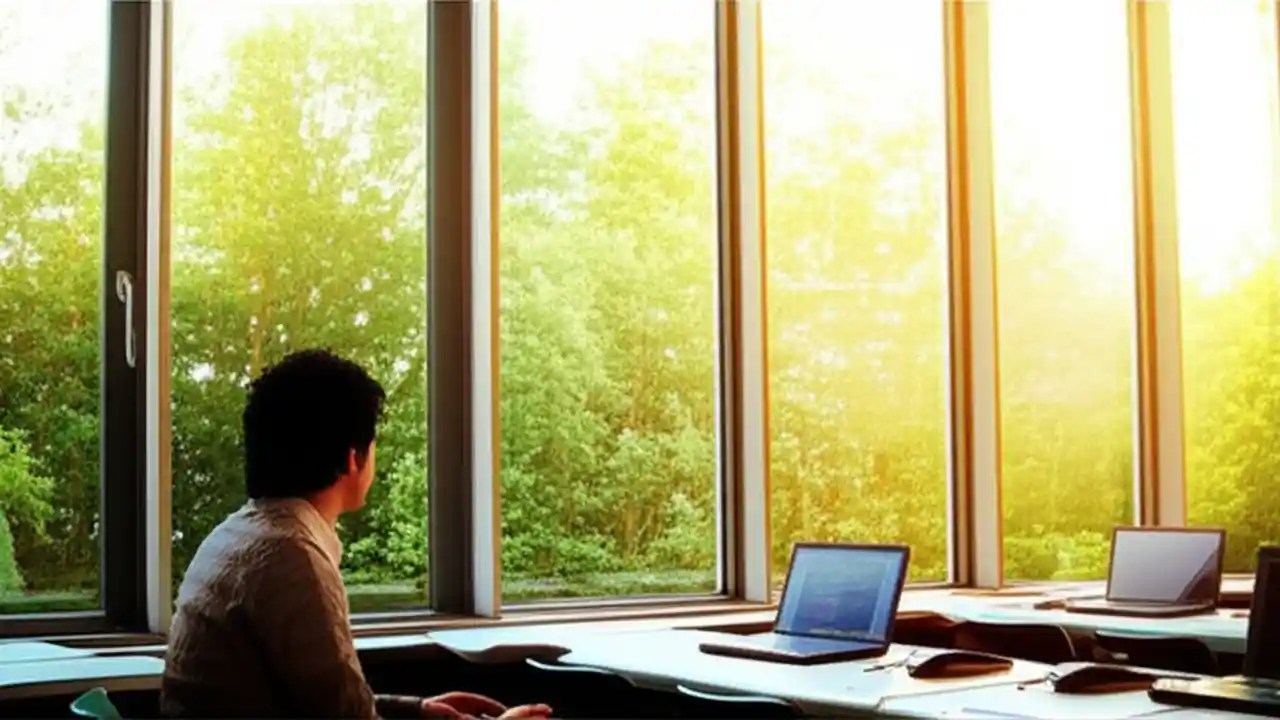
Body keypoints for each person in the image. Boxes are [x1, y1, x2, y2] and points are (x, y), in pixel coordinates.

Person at [162, 349, 551, 719]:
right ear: (354, 457)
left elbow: (314, 702)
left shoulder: (233, 537)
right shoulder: (292, 558)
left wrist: (416, 710)